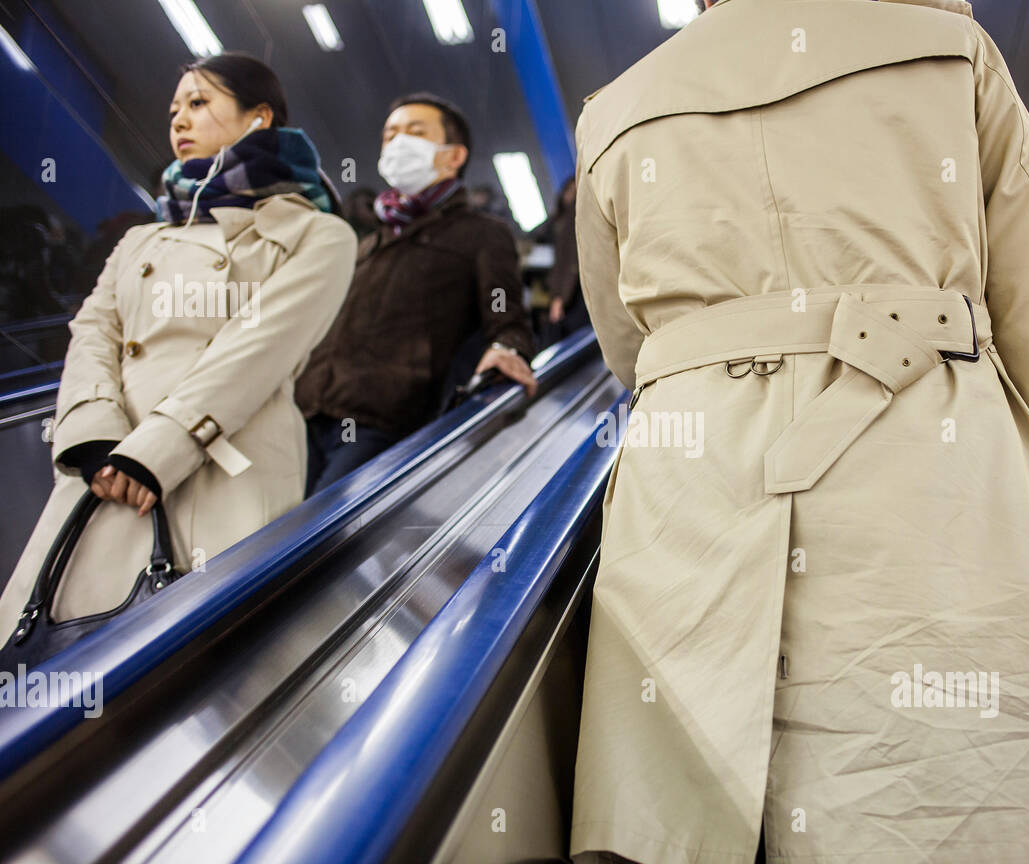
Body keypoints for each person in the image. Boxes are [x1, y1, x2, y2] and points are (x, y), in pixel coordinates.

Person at [569, 0, 1029, 864]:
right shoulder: (949, 51)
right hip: (930, 457)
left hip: (690, 492)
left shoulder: (617, 107)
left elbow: (627, 343)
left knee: (695, 814)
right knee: (953, 792)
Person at [0, 52, 357, 645]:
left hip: (218, 469)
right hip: (105, 469)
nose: (178, 122)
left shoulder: (319, 234)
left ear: (258, 118)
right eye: (173, 110)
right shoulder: (145, 234)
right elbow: (93, 332)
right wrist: (94, 437)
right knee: (44, 654)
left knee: (199, 667)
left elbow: (258, 348)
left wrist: (157, 451)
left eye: (199, 103)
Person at [294, 93, 537, 495]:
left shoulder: (480, 233)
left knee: (311, 549)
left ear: (453, 156)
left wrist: (507, 350)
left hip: (383, 422)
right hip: (309, 412)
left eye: (414, 132)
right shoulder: (372, 237)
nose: (397, 142)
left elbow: (508, 322)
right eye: (390, 134)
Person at [539, 176, 590, 350]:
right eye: (569, 191)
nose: (572, 195)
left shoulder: (578, 212)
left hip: (578, 289)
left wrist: (559, 298)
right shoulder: (562, 219)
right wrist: (559, 297)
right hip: (573, 291)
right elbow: (565, 259)